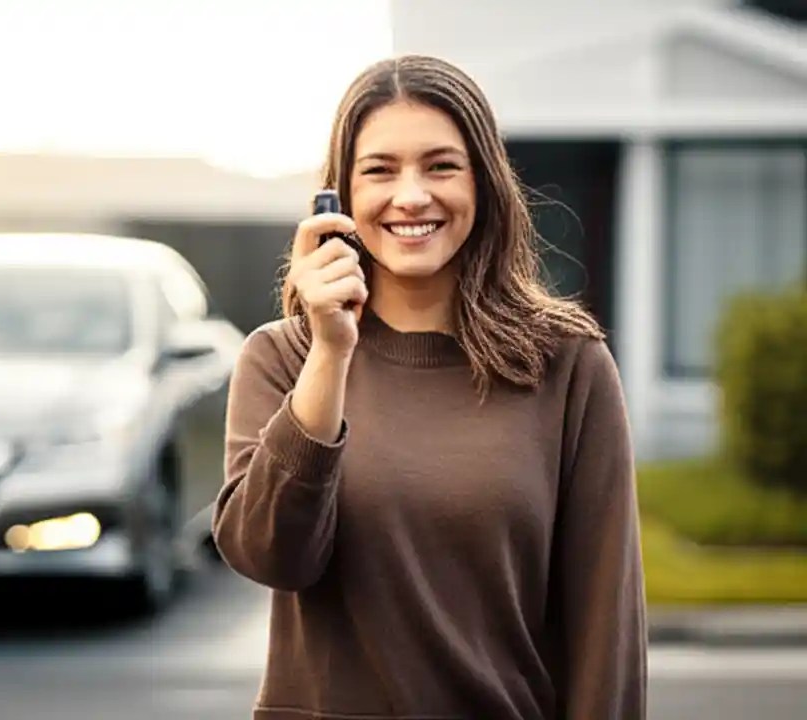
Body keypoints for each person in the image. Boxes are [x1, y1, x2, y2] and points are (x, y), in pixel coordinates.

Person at [211, 54, 646, 720]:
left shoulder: (567, 365)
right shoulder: (280, 358)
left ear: (484, 183)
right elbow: (272, 555)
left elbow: (603, 624)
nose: (411, 196)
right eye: (380, 170)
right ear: (342, 197)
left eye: (441, 165)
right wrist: (330, 354)